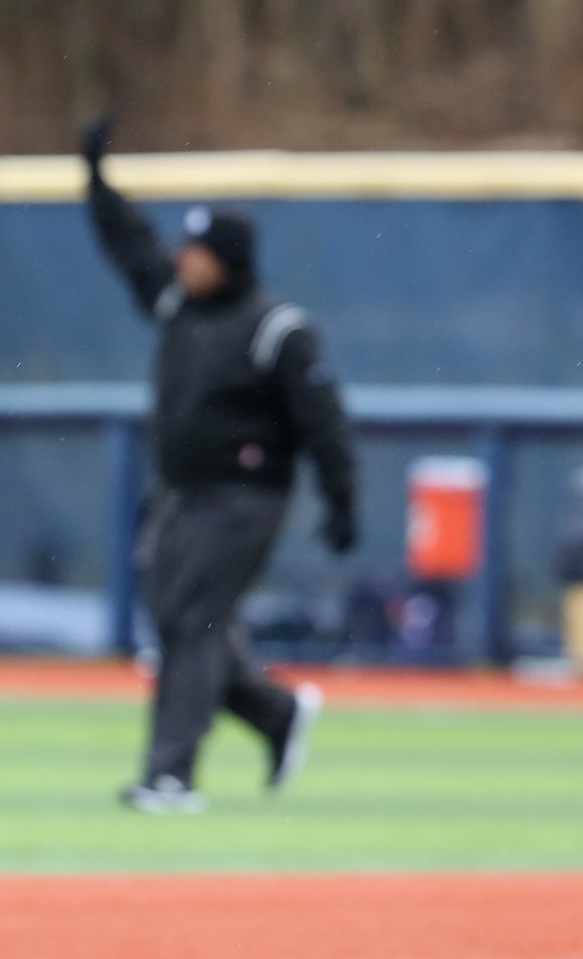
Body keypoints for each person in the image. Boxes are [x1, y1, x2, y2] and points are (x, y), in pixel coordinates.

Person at [79, 115, 358, 816]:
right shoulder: (177, 304)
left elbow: (323, 422)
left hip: (245, 496)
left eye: (199, 251)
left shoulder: (277, 329)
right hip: (183, 492)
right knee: (174, 613)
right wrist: (96, 179)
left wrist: (341, 500)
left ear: (229, 260)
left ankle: (170, 774)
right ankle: (274, 713)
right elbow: (130, 245)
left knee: (196, 617)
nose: (184, 259)